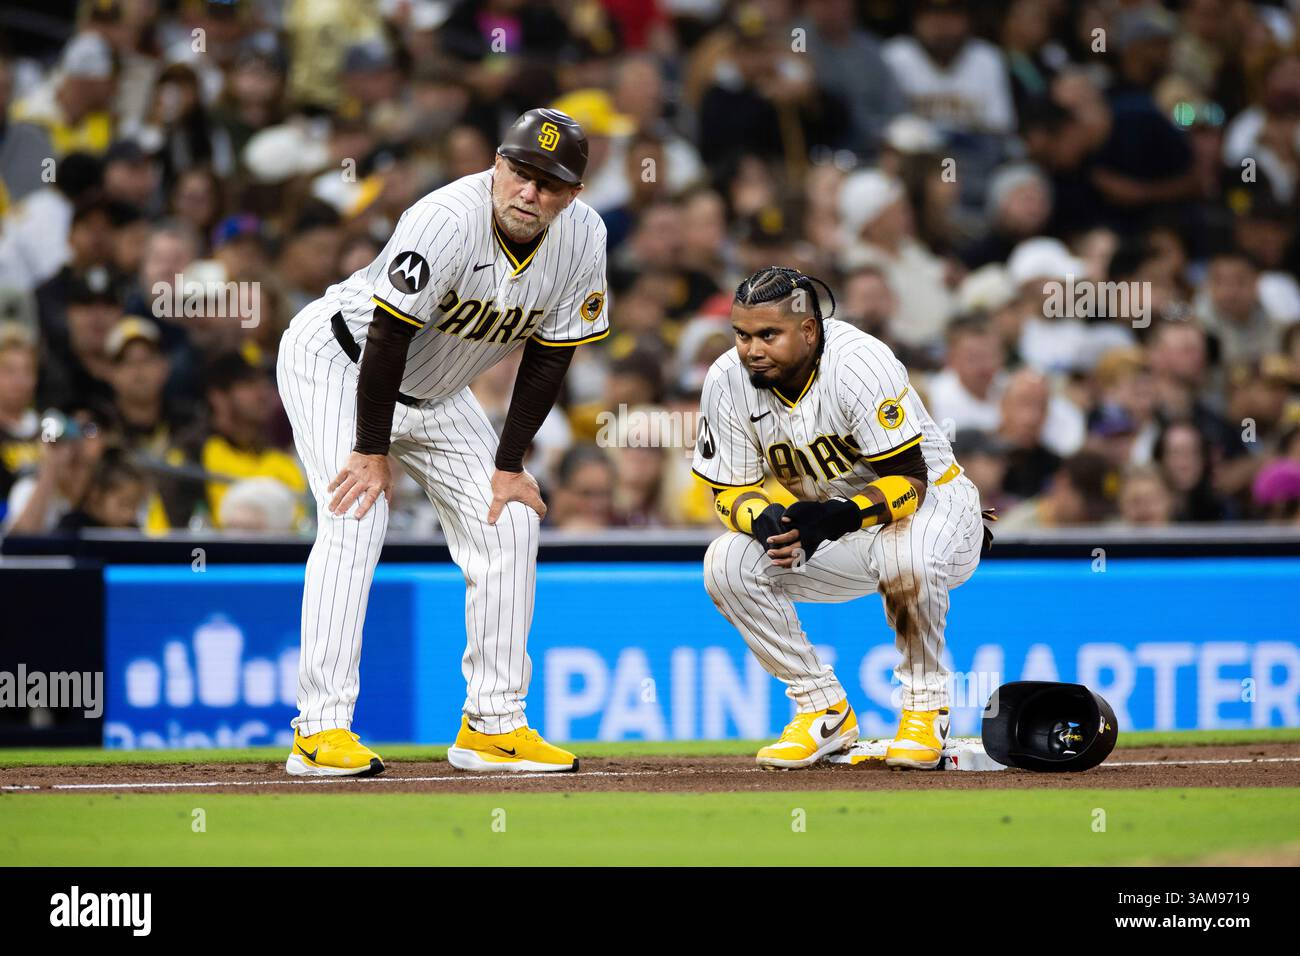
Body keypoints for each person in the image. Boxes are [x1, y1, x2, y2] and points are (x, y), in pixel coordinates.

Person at [276, 108, 609, 776]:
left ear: (573, 193)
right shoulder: (445, 218)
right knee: (356, 516)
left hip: (438, 389)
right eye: (520, 171)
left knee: (510, 519)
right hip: (341, 361)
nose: (529, 191)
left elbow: (551, 354)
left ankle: (493, 724)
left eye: (550, 182)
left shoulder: (583, 238)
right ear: (497, 163)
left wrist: (509, 464)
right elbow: (386, 336)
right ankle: (319, 730)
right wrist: (370, 449)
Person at [695, 266, 987, 770]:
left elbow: (910, 481)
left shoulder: (858, 362)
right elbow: (727, 488)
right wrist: (761, 518)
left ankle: (924, 710)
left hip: (937, 511)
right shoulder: (727, 379)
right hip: (837, 526)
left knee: (906, 551)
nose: (751, 349)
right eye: (742, 335)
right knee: (726, 562)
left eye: (768, 334)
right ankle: (821, 709)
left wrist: (835, 517)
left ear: (808, 330)